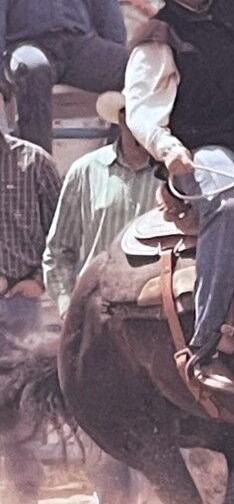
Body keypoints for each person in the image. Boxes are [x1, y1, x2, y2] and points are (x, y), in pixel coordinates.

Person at [124, 0, 234, 393]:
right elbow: (141, 108)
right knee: (231, 205)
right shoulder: (160, 35)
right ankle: (207, 343)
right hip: (206, 150)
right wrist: (167, 147)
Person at [43, 92, 160, 318]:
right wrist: (68, 305)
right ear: (122, 119)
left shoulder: (174, 177)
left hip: (153, 304)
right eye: (134, 115)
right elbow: (59, 249)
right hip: (96, 306)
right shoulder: (85, 171)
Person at [0, 134, 60, 504]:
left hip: (23, 303)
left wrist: (39, 280)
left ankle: (25, 493)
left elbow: (60, 231)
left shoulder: (34, 162)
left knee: (18, 404)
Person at [2, 0, 128, 153]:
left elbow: (106, 10)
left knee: (132, 67)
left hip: (77, 44)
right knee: (34, 70)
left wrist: (115, 49)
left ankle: (114, 156)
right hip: (27, 44)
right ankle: (38, 168)